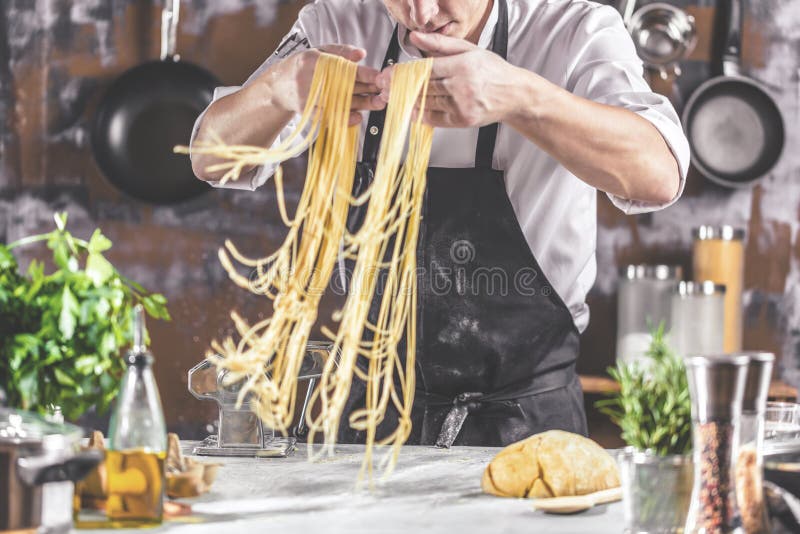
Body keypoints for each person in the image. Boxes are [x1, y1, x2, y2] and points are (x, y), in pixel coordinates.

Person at [190, 0, 689, 448]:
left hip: (525, 424)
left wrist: (521, 96)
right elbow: (209, 157)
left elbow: (658, 175)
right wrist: (277, 91)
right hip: (365, 423)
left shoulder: (575, 31)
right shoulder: (338, 22)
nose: (422, 14)